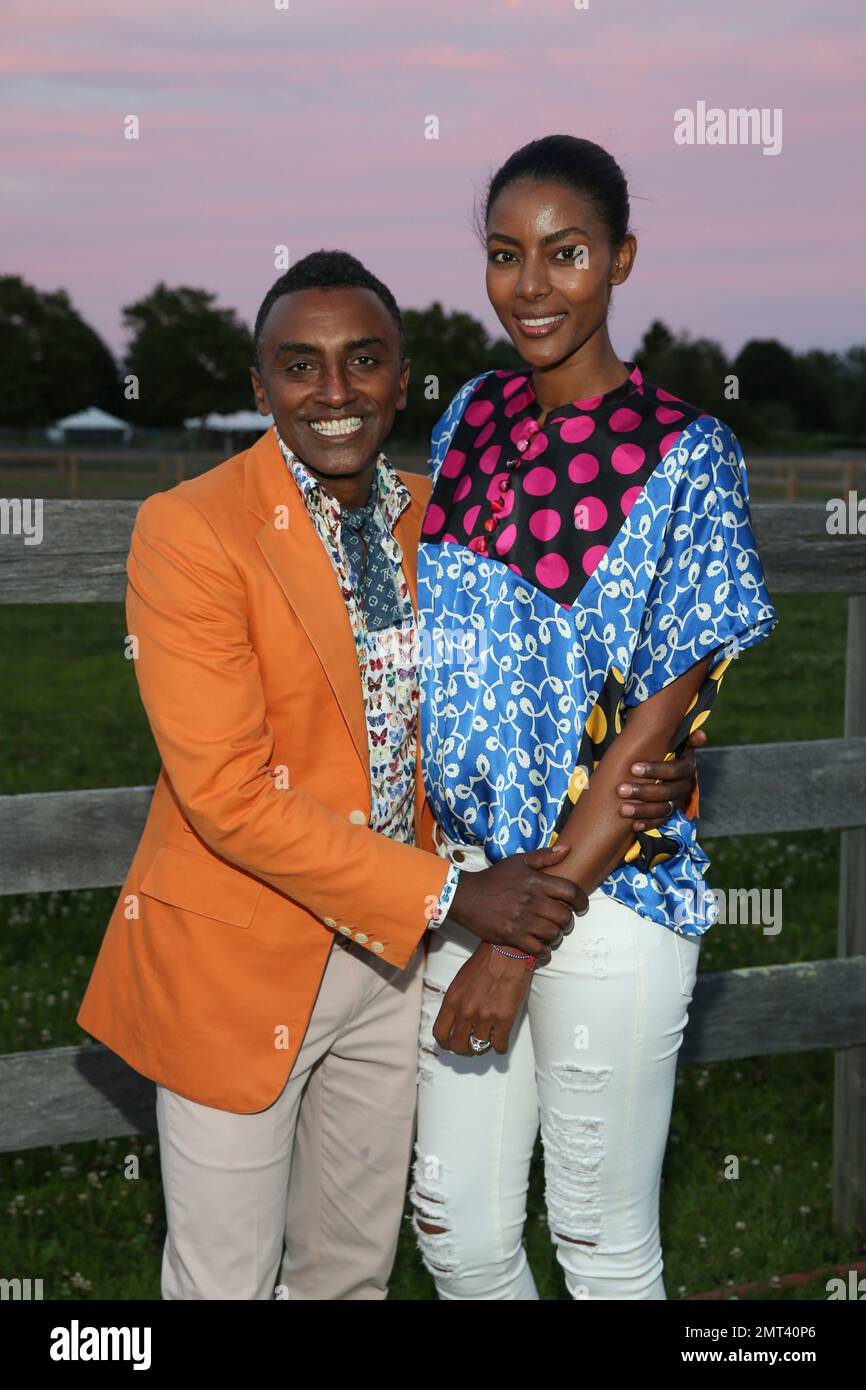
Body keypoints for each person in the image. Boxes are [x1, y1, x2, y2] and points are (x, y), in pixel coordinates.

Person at [76, 249, 700, 1301]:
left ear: (400, 377)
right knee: (226, 1277)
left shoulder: (443, 518)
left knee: (352, 1273)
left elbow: (550, 672)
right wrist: (455, 894)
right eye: (299, 365)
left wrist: (647, 756)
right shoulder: (189, 530)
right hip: (242, 953)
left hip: (391, 964)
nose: (332, 393)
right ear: (258, 385)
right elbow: (226, 794)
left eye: (361, 361)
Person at [410, 135, 779, 1300]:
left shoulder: (684, 453)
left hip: (602, 891)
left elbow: (656, 728)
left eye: (565, 253)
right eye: (504, 254)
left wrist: (520, 943)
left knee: (599, 1243)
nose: (531, 286)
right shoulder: (466, 416)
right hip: (467, 876)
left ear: (620, 259)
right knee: (458, 1235)